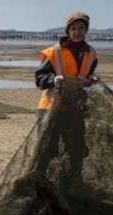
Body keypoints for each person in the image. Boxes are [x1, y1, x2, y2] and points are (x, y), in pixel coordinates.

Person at [34, 11, 101, 187]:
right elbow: (39, 79)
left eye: (81, 28)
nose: (77, 32)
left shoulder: (91, 53)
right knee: (46, 149)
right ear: (68, 31)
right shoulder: (53, 52)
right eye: (74, 28)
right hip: (50, 108)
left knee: (76, 148)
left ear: (86, 31)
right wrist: (53, 79)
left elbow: (86, 75)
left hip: (75, 108)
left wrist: (91, 79)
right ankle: (38, 184)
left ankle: (73, 183)